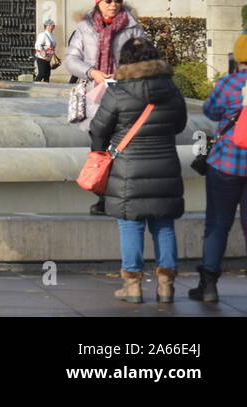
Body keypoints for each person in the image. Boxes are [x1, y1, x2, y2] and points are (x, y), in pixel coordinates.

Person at [88, 37, 187, 303]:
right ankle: (166, 286)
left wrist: (101, 150)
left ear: (125, 60)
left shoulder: (118, 92)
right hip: (165, 167)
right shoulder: (172, 90)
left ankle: (132, 286)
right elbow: (179, 125)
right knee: (164, 225)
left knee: (130, 224)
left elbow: (98, 129)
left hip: (127, 169)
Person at [64, 0, 146, 215]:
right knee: (99, 148)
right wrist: (92, 72)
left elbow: (146, 58)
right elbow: (71, 59)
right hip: (95, 98)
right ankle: (102, 197)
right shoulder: (84, 28)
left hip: (125, 96)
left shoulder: (133, 27)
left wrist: (125, 73)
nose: (113, 4)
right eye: (108, 0)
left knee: (121, 148)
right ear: (98, 2)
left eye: (117, 0)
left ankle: (120, 197)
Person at [189, 22, 247, 303]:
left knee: (217, 223)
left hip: (225, 163)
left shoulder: (228, 84)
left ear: (238, 57)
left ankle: (209, 285)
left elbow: (210, 112)